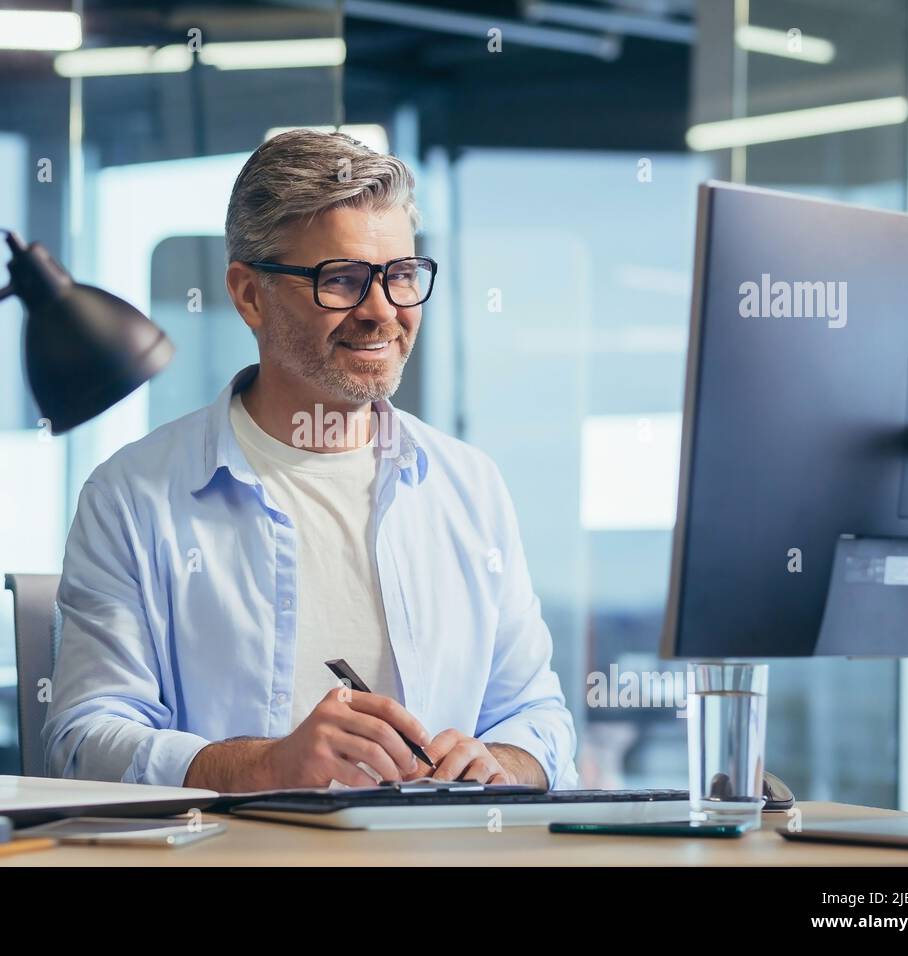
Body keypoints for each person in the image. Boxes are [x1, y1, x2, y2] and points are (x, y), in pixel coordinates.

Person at [42, 129, 578, 792]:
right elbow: (85, 740)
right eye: (344, 280)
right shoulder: (133, 496)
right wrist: (269, 767)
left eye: (401, 277)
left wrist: (506, 763)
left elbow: (537, 717)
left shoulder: (469, 486)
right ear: (248, 295)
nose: (382, 312)